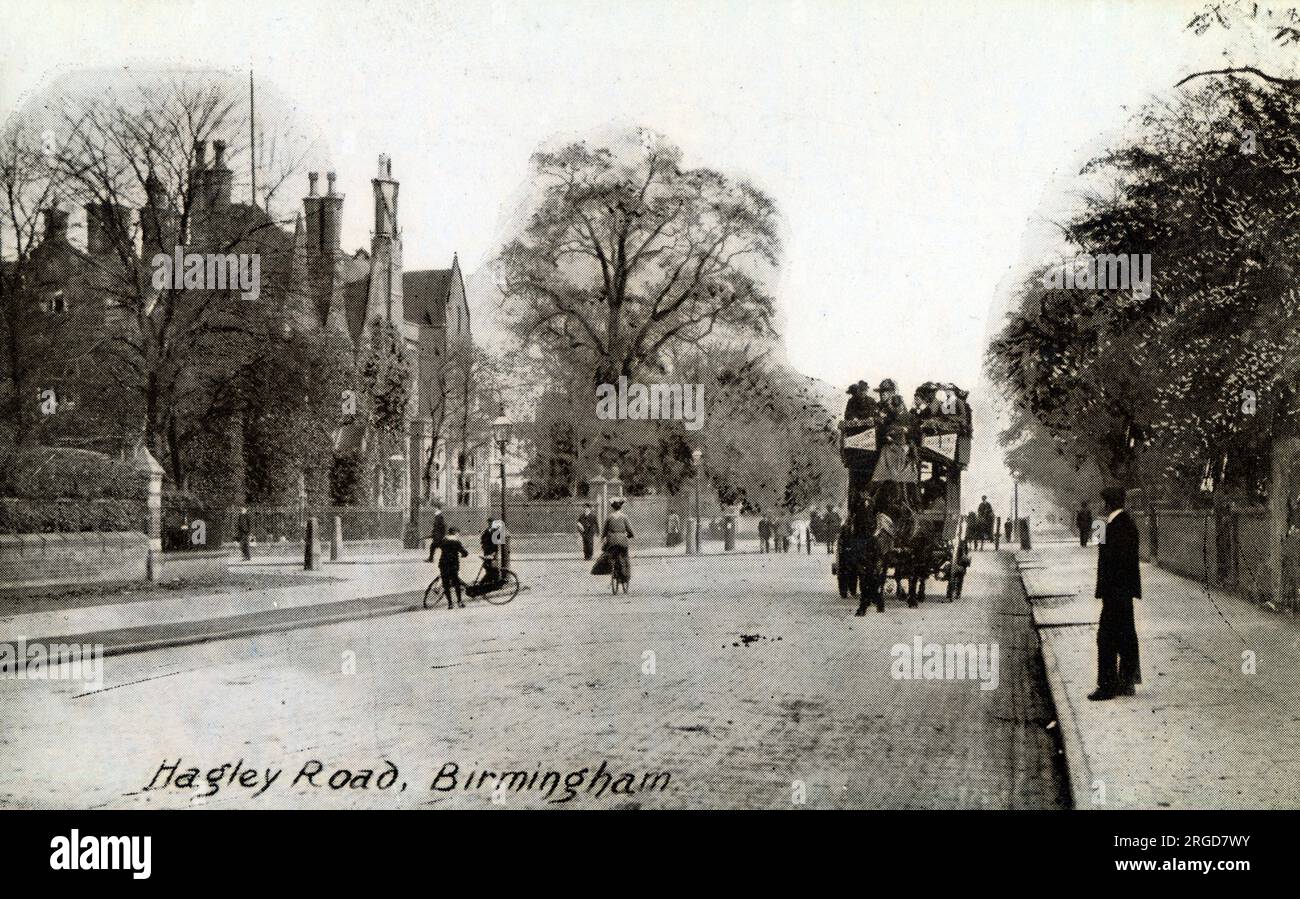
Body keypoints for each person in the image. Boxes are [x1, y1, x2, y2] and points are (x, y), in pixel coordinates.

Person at [1091, 486, 1142, 701]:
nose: (1102, 506)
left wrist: (1105, 590)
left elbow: (1109, 562)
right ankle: (1126, 682)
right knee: (1126, 636)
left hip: (1116, 592)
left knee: (1106, 638)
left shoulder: (1116, 526)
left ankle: (1107, 686)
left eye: (1105, 502)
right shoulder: (1122, 524)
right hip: (1122, 591)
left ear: (1109, 504)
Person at [437, 526, 470, 610]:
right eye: (458, 533)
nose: (458, 535)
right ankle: (459, 602)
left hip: (443, 564)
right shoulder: (456, 542)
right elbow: (465, 553)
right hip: (453, 565)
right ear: (455, 533)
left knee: (446, 584)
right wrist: (463, 554)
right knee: (456, 584)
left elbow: (440, 546)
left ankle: (450, 604)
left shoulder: (444, 540)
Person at [602, 498, 634, 585]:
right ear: (620, 508)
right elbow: (630, 530)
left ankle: (612, 569)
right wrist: (630, 535)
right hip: (622, 540)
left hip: (611, 540)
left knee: (609, 554)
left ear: (612, 508)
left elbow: (604, 531)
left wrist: (603, 538)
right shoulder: (624, 517)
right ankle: (625, 576)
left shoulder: (609, 517)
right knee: (625, 557)